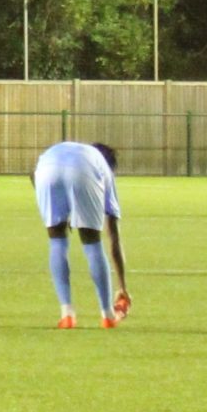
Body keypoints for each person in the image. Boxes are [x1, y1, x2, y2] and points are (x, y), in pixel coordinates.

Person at [33, 140, 130, 329]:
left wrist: (56, 208)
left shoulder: (73, 148)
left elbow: (33, 174)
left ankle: (67, 314)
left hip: (45, 170)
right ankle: (107, 315)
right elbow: (113, 236)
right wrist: (123, 287)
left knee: (57, 241)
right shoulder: (103, 167)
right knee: (92, 243)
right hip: (82, 173)